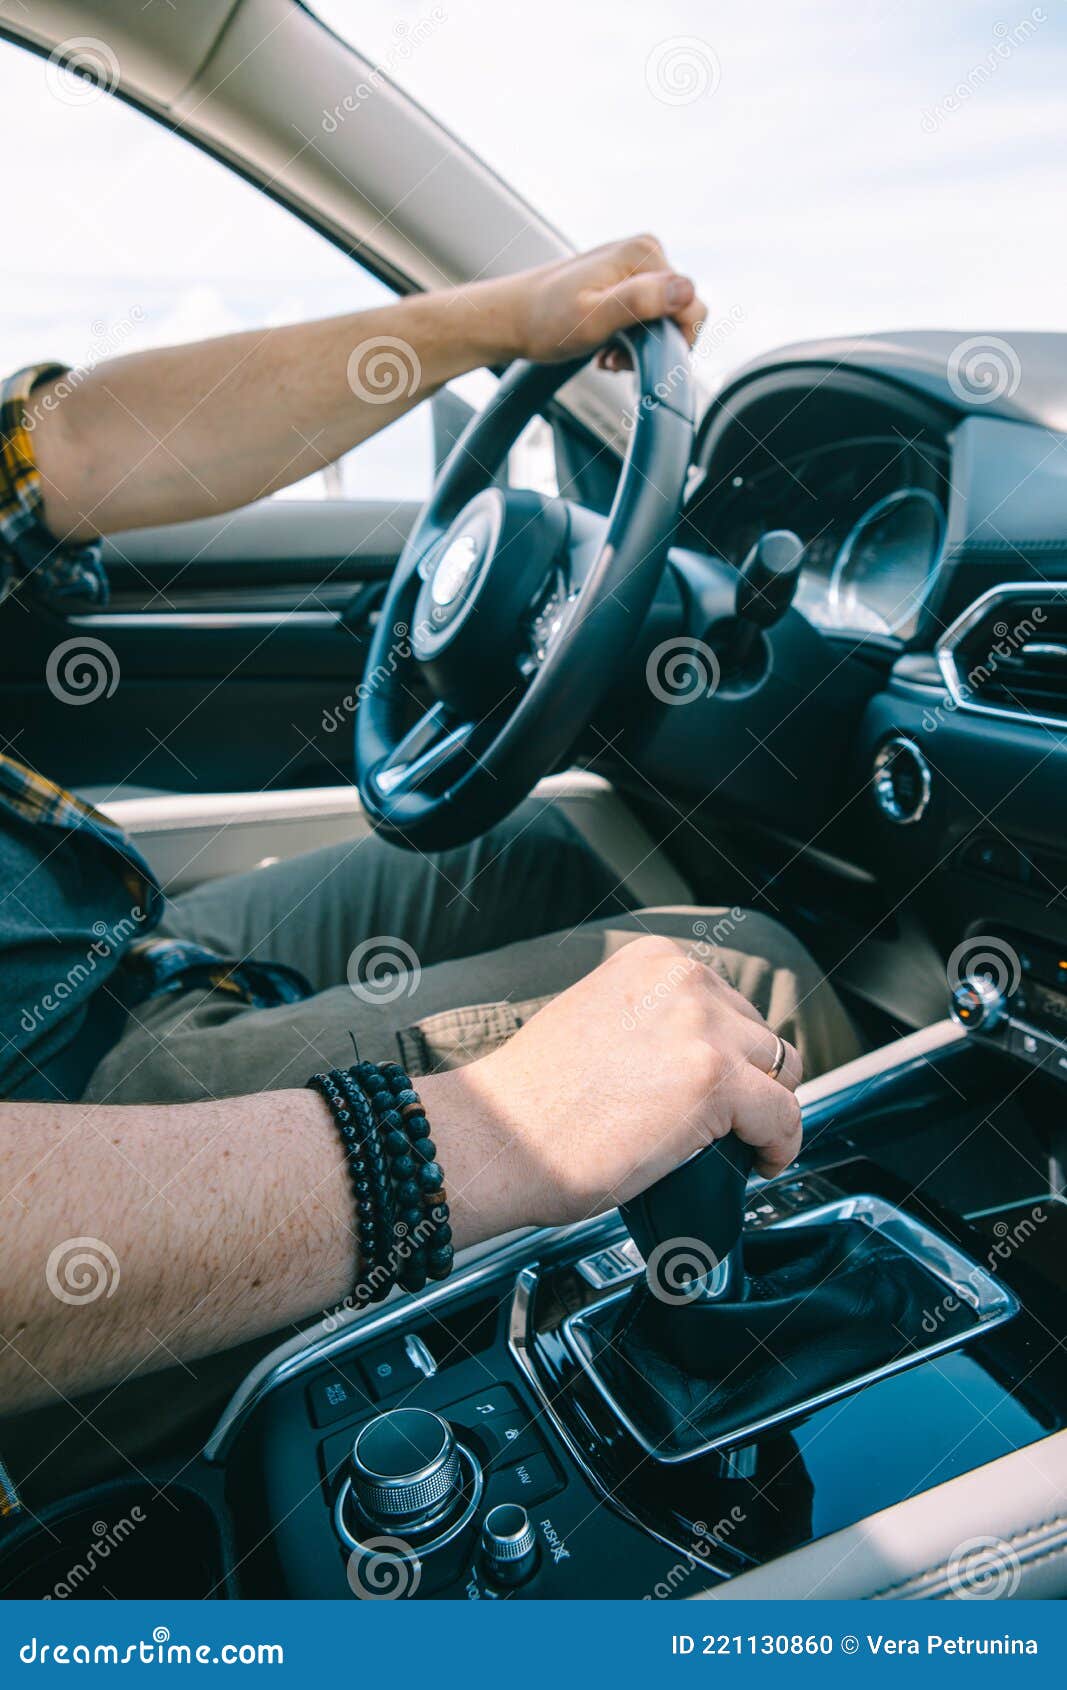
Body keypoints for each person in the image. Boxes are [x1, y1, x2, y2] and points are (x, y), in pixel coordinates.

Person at [0, 235, 858, 1504]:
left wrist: (505, 315)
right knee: (752, 985)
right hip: (62, 1137)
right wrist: (480, 1136)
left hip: (103, 961)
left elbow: (70, 446)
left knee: (539, 855)